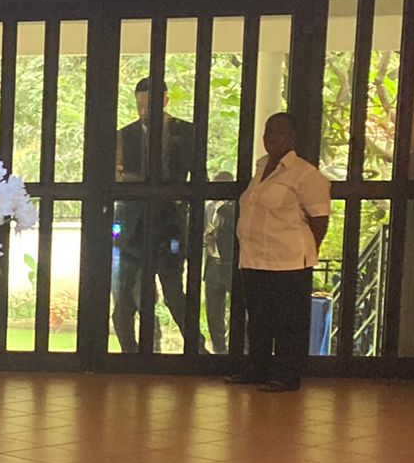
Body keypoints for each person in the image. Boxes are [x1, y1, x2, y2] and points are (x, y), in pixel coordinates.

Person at [229, 111, 330, 392]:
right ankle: (257, 368)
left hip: (288, 262)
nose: (270, 138)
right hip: (255, 258)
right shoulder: (262, 168)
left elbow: (319, 220)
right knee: (259, 319)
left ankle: (286, 374)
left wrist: (304, 252)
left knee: (288, 321)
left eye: (278, 133)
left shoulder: (306, 175)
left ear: (293, 137)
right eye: (267, 132)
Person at [113, 77, 201, 354]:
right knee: (125, 301)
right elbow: (115, 178)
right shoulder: (124, 135)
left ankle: (197, 351)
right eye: (139, 105)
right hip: (133, 228)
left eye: (148, 104)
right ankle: (131, 354)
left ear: (164, 100)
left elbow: (198, 179)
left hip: (170, 225)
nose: (143, 110)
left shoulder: (186, 132)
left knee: (175, 295)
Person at [204, 170, 237, 354]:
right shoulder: (208, 208)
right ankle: (219, 350)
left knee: (237, 309)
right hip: (211, 264)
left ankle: (238, 349)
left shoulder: (235, 208)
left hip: (229, 264)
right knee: (213, 312)